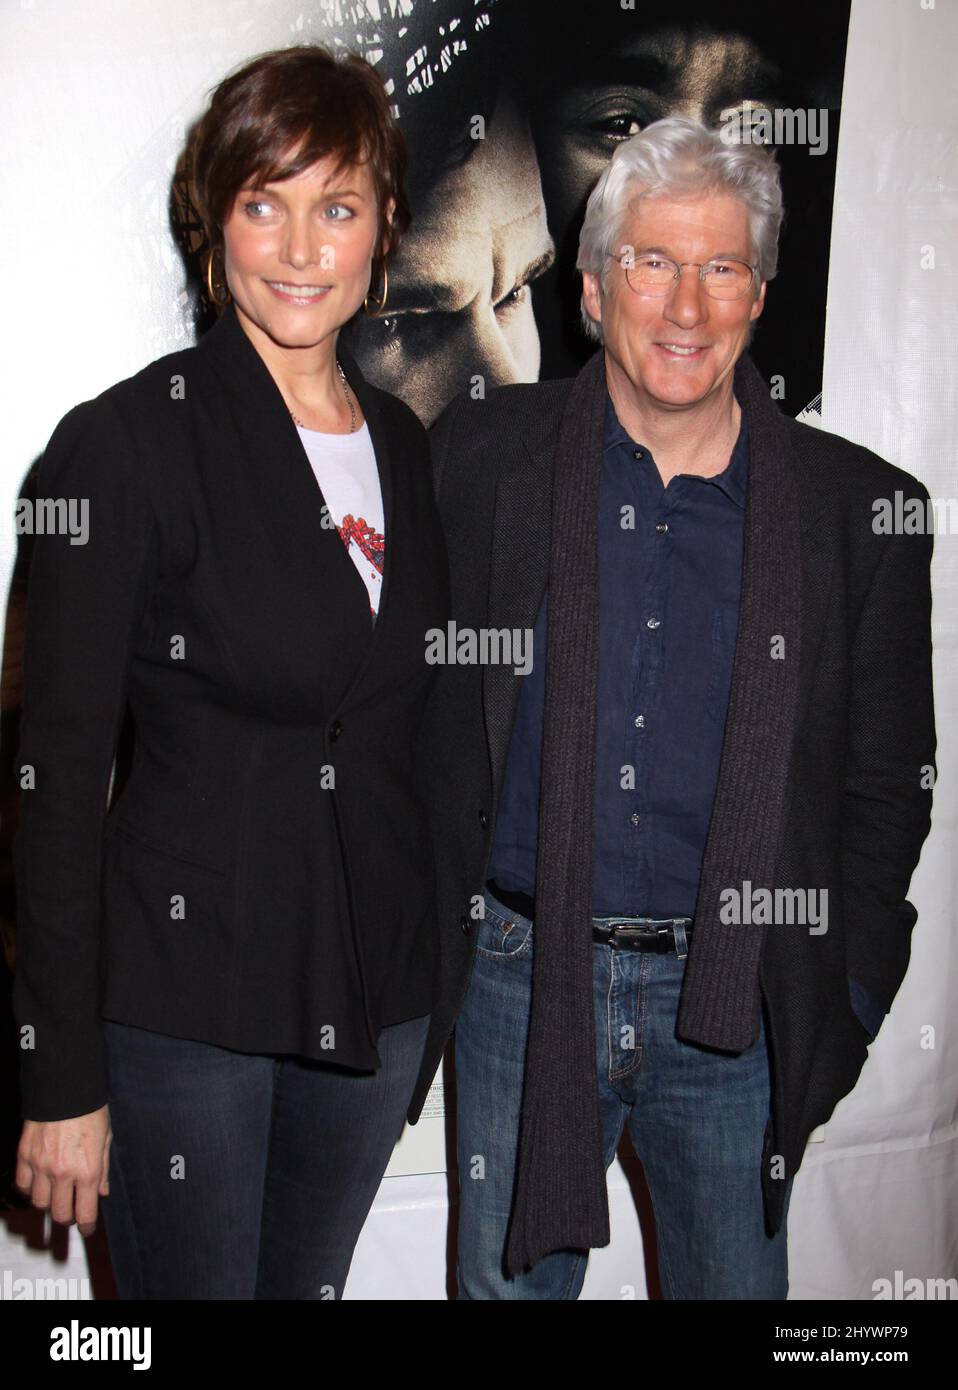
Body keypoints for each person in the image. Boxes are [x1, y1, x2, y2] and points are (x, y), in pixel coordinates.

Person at [415, 116, 936, 1298]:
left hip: (738, 1002)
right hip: (515, 975)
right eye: (653, 262)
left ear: (759, 293)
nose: (686, 306)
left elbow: (885, 789)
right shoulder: (483, 463)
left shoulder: (861, 514)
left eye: (721, 267)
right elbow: (415, 721)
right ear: (595, 291)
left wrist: (845, 996)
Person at [13, 43, 449, 1300]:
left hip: (373, 1005)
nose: (302, 247)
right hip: (185, 1009)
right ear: (213, 226)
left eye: (339, 205)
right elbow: (52, 786)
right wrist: (60, 1075)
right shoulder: (122, 446)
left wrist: (432, 995)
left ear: (383, 228)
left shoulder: (407, 448)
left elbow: (405, 736)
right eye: (265, 202)